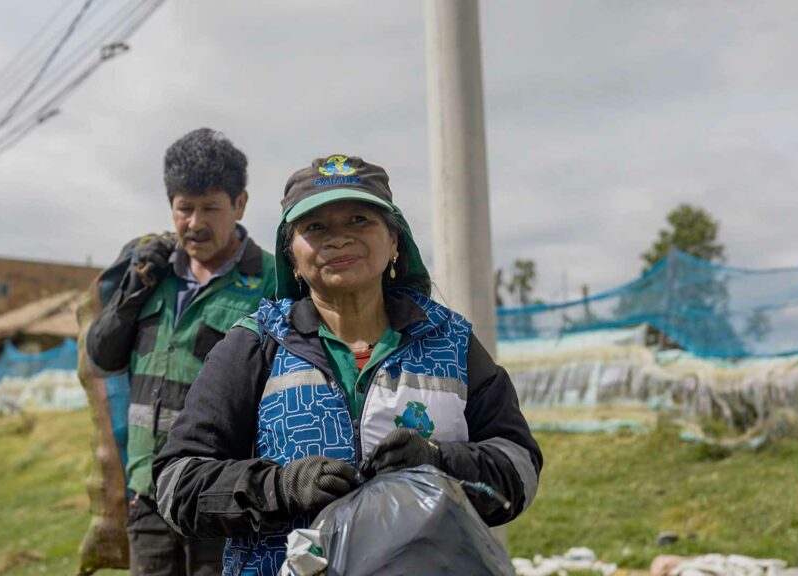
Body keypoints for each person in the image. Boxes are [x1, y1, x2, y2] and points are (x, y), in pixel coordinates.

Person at [152, 155, 542, 576]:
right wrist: (278, 487)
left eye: (359, 220)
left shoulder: (452, 341)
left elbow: (519, 469)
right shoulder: (255, 344)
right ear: (292, 253)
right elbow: (177, 484)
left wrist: (438, 461)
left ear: (394, 240)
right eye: (315, 227)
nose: (338, 239)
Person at [86, 128, 276, 576]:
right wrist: (134, 288)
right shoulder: (151, 272)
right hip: (147, 492)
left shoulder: (271, 281)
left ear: (240, 205)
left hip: (222, 493)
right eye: (184, 208)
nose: (195, 223)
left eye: (211, 208)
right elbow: (101, 357)